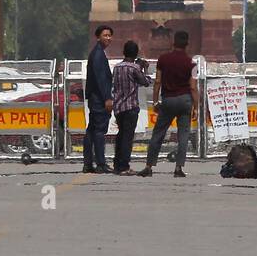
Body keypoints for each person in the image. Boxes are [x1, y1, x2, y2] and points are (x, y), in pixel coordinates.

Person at [140, 30, 195, 178]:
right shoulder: (190, 62)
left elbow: (157, 81)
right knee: (183, 135)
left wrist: (155, 100)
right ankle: (178, 168)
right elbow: (193, 86)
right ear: (187, 44)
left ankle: (149, 166)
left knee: (158, 133)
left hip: (168, 99)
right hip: (184, 100)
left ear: (173, 43)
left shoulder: (163, 59)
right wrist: (196, 105)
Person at [110, 41, 150, 174]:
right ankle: (124, 167)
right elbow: (145, 82)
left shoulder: (117, 67)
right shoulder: (134, 68)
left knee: (120, 136)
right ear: (136, 53)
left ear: (124, 52)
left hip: (118, 107)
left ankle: (117, 164)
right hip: (130, 107)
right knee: (127, 138)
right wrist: (145, 69)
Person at [83, 25, 114, 173]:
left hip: (95, 98)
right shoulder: (98, 55)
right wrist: (107, 98)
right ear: (98, 37)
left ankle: (88, 163)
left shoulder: (98, 53)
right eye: (105, 35)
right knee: (99, 131)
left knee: (92, 131)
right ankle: (101, 163)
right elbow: (101, 79)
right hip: (99, 99)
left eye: (109, 35)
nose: (108, 38)